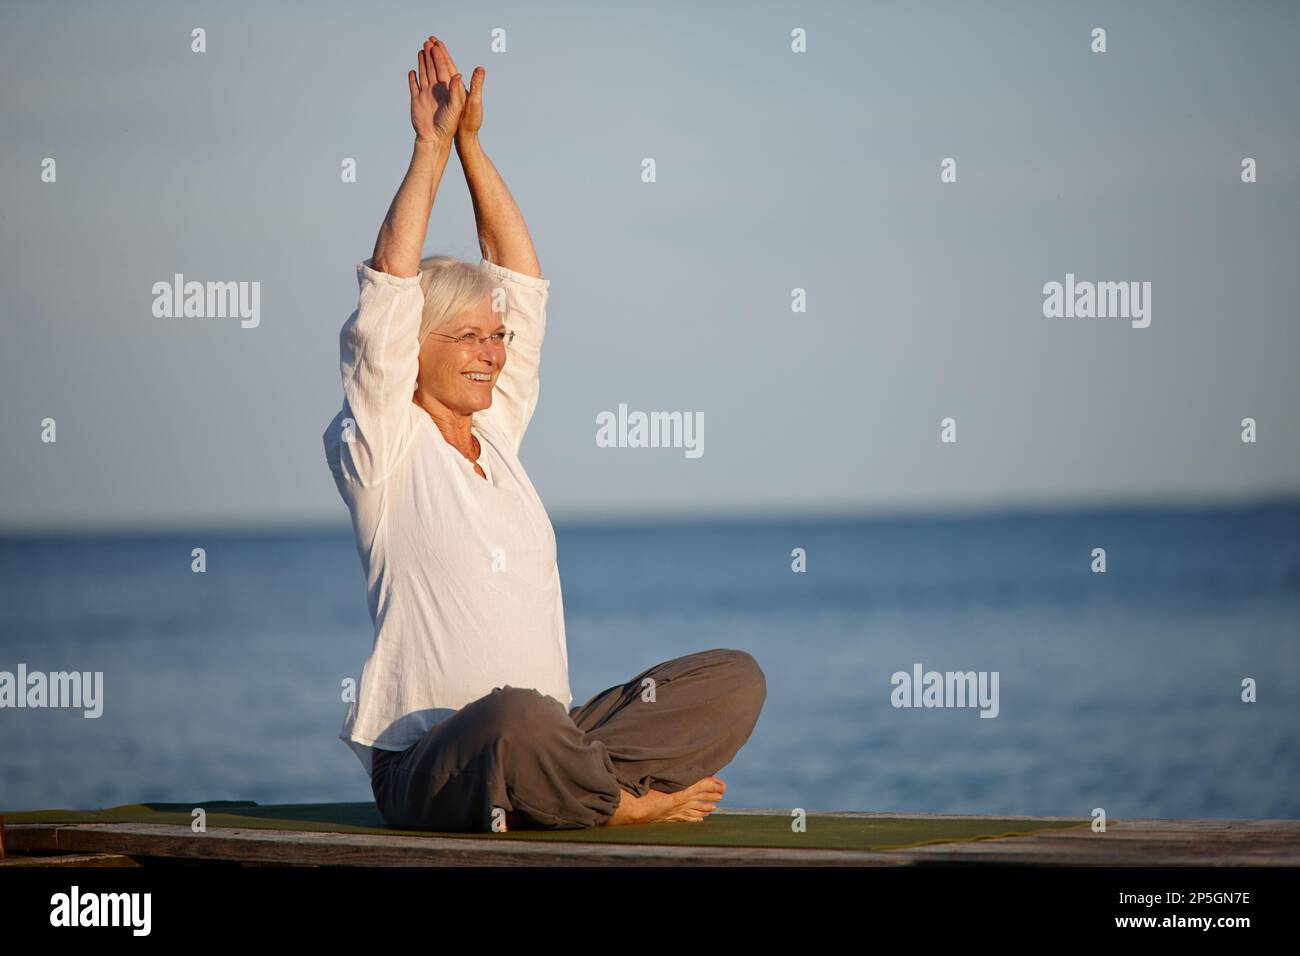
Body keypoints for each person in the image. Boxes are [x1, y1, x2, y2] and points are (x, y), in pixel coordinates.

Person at [323, 35, 765, 832]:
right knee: (516, 719)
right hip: (435, 761)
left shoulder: (497, 436)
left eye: (496, 340)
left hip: (549, 738)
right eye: (469, 338)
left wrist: (471, 146)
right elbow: (388, 294)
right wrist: (427, 151)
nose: (492, 353)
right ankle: (613, 806)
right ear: (413, 351)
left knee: (733, 680)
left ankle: (560, 786)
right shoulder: (382, 449)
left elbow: (520, 278)